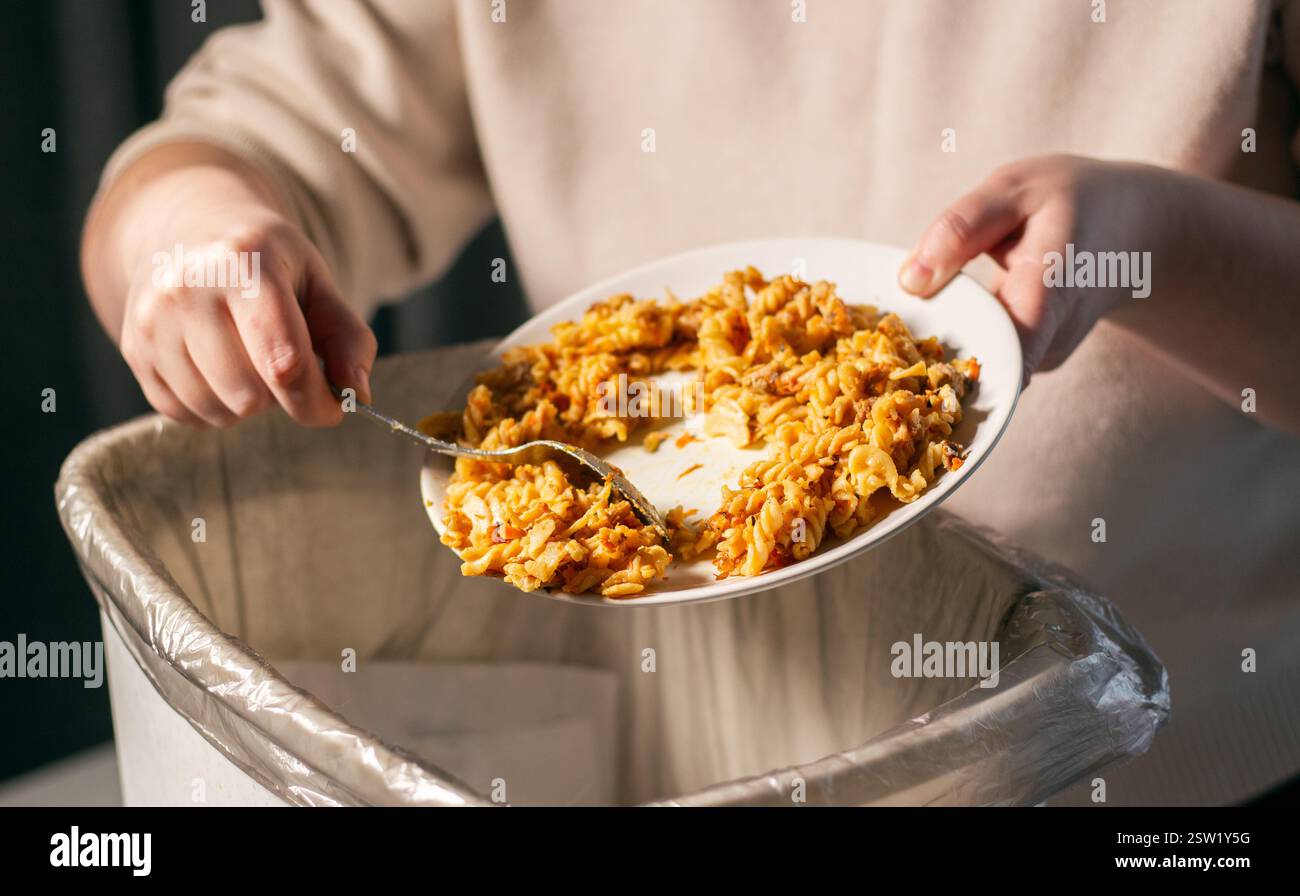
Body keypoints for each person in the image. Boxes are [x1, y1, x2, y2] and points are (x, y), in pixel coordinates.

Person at [82, 0, 1300, 805]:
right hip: (717, 750)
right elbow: (240, 136)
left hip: (1184, 778)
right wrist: (190, 235)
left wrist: (1165, 245)